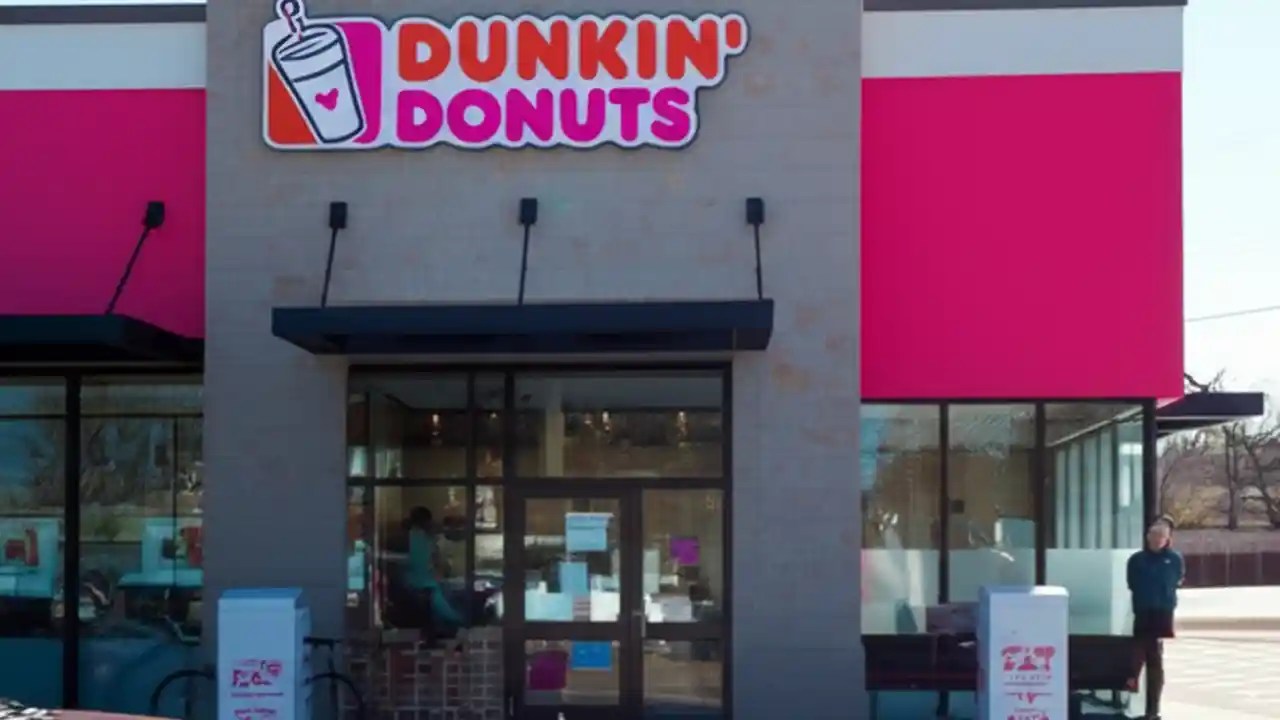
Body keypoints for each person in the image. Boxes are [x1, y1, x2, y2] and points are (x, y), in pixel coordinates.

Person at [1127, 517, 1184, 720]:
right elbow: (1132, 583)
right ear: (1147, 537)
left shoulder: (1175, 559)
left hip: (1162, 613)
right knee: (1137, 656)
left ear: (1167, 539)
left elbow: (1177, 580)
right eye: (1153, 535)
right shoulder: (1137, 560)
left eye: (1161, 536)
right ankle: (1131, 698)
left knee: (1155, 659)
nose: (1157, 539)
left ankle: (1152, 710)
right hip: (1143, 612)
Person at [404, 506, 464, 631]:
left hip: (413, 583)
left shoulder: (406, 538)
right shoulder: (428, 540)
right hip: (427, 584)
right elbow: (436, 561)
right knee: (448, 613)